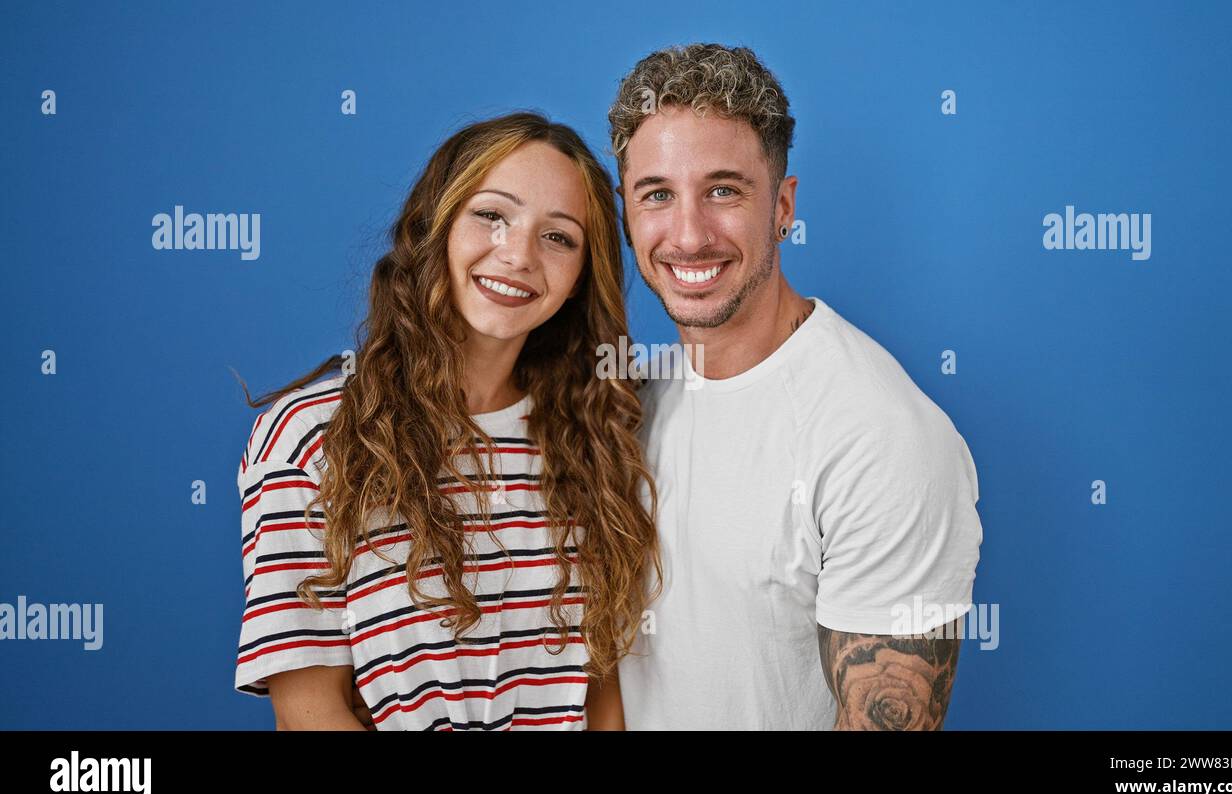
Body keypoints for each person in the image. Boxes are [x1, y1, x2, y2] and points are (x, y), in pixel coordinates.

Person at [233, 112, 659, 730]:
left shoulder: (598, 439)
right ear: (437, 225)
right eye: (492, 215)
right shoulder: (310, 437)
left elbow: (600, 697)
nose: (517, 255)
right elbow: (309, 712)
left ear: (579, 280)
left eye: (559, 237)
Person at [607, 44, 983, 730]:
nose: (688, 235)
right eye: (657, 194)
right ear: (628, 214)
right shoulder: (632, 399)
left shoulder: (879, 436)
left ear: (783, 204)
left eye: (724, 190)